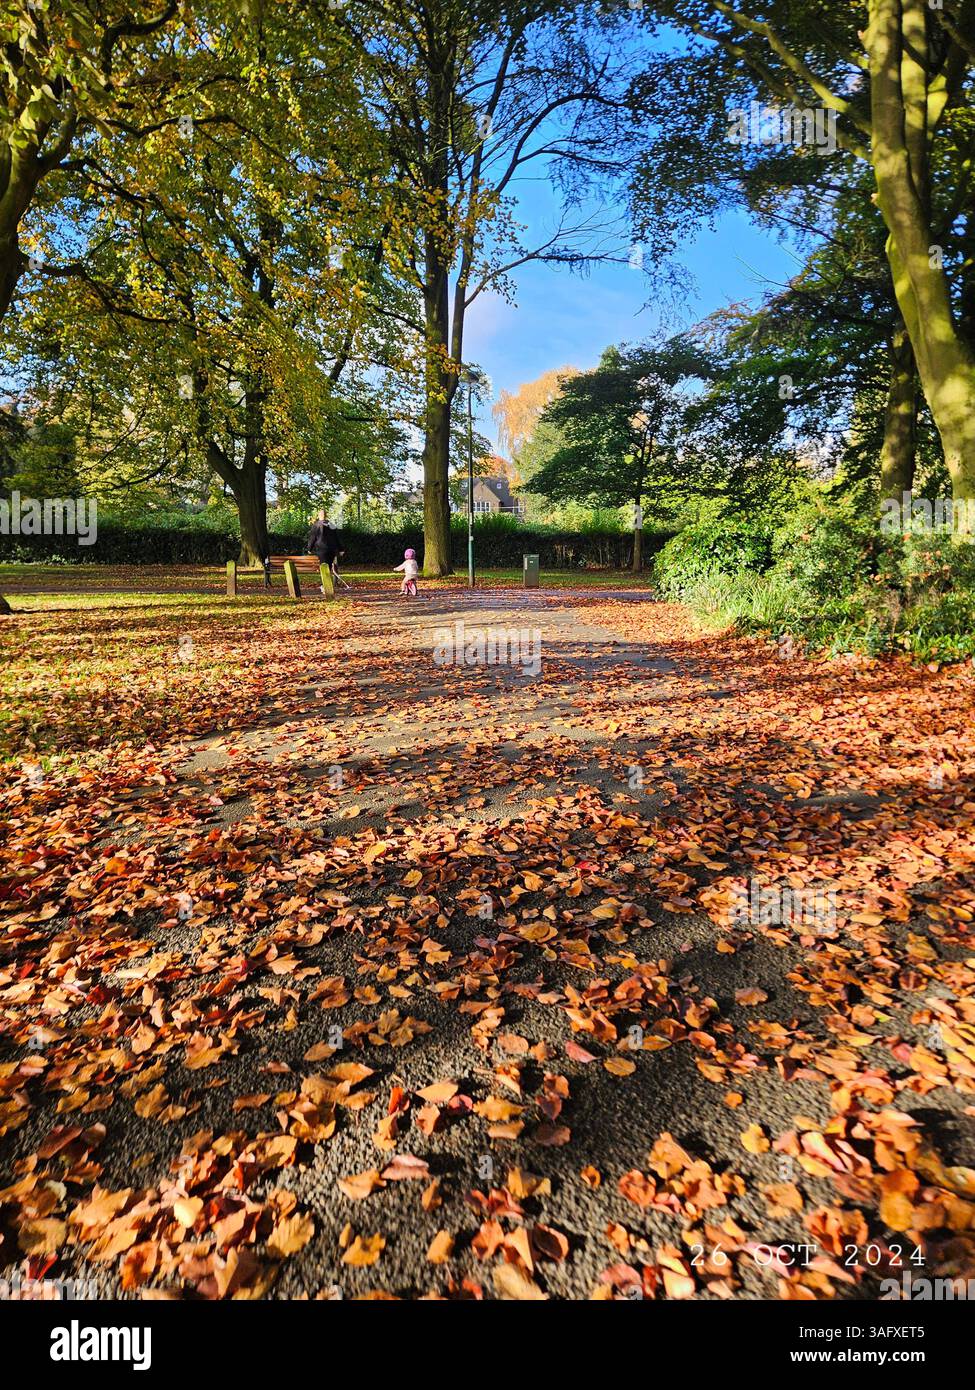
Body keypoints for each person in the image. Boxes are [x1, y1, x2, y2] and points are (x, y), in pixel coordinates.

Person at [306, 511, 347, 592]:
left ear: (319, 516)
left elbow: (312, 538)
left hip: (322, 550)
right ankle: (327, 585)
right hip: (331, 549)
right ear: (326, 515)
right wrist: (341, 549)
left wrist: (309, 549)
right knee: (328, 567)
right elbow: (336, 538)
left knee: (324, 568)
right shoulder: (331, 525)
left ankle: (325, 586)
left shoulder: (316, 525)